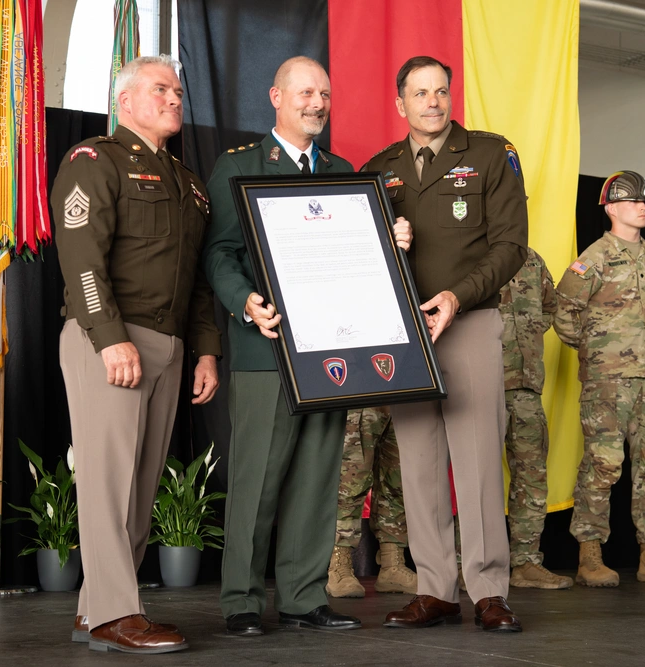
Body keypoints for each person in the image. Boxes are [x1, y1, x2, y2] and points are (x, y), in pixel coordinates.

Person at [203, 56, 410, 637]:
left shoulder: (346, 171)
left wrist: (390, 236)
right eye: (304, 93)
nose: (316, 103)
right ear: (275, 96)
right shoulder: (237, 166)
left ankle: (301, 597)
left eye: (324, 93)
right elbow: (217, 253)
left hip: (331, 350)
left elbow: (360, 259)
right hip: (266, 346)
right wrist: (244, 300)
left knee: (319, 478)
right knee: (257, 480)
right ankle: (242, 601)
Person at [53, 55, 221, 655]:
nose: (175, 98)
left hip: (169, 347)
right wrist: (108, 335)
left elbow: (199, 281)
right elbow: (81, 259)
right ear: (125, 101)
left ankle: (92, 611)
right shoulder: (94, 161)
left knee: (139, 488)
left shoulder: (190, 184)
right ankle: (115, 614)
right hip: (112, 341)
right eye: (160, 89)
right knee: (108, 483)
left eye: (178, 89)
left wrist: (204, 352)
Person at [367, 55, 526, 633]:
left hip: (469, 321)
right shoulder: (378, 168)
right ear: (400, 103)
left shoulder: (488, 154)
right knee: (419, 461)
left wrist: (457, 297)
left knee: (479, 459)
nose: (432, 102)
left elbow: (511, 246)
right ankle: (434, 589)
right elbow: (361, 257)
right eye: (419, 93)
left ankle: (488, 590)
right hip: (405, 331)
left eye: (440, 91)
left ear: (450, 97)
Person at [554, 170, 645, 588]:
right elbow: (564, 316)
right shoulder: (593, 258)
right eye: (634, 201)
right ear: (611, 207)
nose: (642, 207)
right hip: (607, 381)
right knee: (603, 465)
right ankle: (590, 555)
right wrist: (597, 353)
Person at [500, 248, 572, 589]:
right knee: (473, 476)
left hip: (526, 384)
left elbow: (549, 306)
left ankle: (526, 562)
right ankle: (460, 561)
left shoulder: (531, 259)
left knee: (531, 474)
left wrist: (524, 335)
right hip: (481, 383)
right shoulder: (467, 251)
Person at [326, 407, 417, 598]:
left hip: (401, 393)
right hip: (362, 392)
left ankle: (392, 564)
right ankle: (338, 564)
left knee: (397, 482)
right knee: (351, 480)